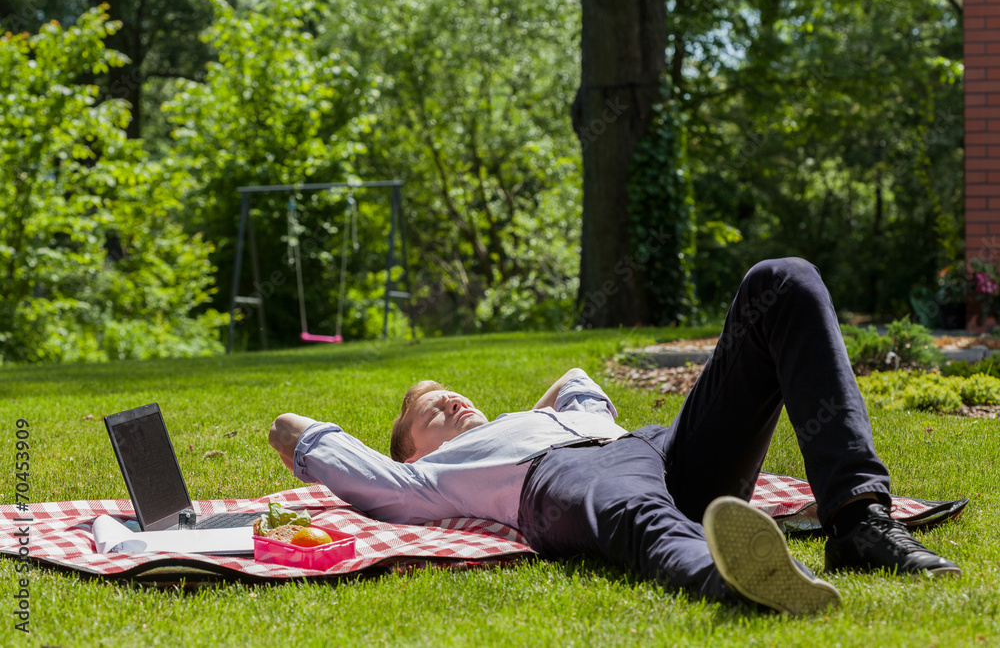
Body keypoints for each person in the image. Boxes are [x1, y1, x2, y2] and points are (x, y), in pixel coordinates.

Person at [269, 258, 960, 615]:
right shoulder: (427, 478)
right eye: (431, 410)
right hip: (565, 478)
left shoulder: (520, 421)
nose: (450, 399)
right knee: (636, 512)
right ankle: (731, 577)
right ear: (414, 451)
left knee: (780, 281)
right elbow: (296, 433)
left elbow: (575, 379)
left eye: (451, 394)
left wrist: (523, 418)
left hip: (661, 449)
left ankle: (859, 521)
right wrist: (392, 451)